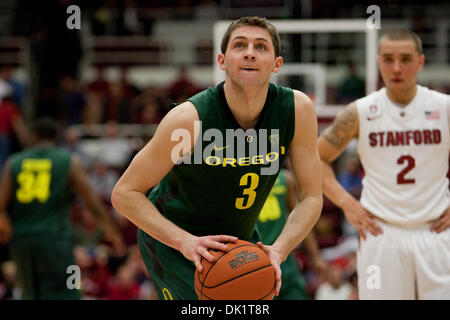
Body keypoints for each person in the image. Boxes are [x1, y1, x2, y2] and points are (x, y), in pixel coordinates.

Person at [111, 16, 323, 300]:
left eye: (261, 47)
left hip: (237, 241)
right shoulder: (189, 119)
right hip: (176, 241)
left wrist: (279, 249)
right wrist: (183, 241)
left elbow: (311, 196)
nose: (250, 52)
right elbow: (125, 193)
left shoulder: (297, 110)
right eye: (240, 45)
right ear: (222, 61)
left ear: (277, 64)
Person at [317, 29, 450, 299]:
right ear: (378, 62)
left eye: (406, 58)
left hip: (436, 231)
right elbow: (314, 158)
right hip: (380, 233)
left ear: (421, 62)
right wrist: (346, 203)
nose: (397, 67)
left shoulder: (444, 107)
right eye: (388, 59)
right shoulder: (361, 111)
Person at [0, 118, 124, 299]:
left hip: (22, 240)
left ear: (34, 136)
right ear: (56, 137)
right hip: (55, 239)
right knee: (68, 292)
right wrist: (111, 231)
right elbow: (92, 202)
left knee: (30, 294)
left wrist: (6, 229)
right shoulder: (67, 161)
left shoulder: (14, 162)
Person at [257, 168, 329, 300]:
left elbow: (299, 218)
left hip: (284, 258)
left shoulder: (285, 178)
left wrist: (316, 257)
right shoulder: (237, 180)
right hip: (255, 262)